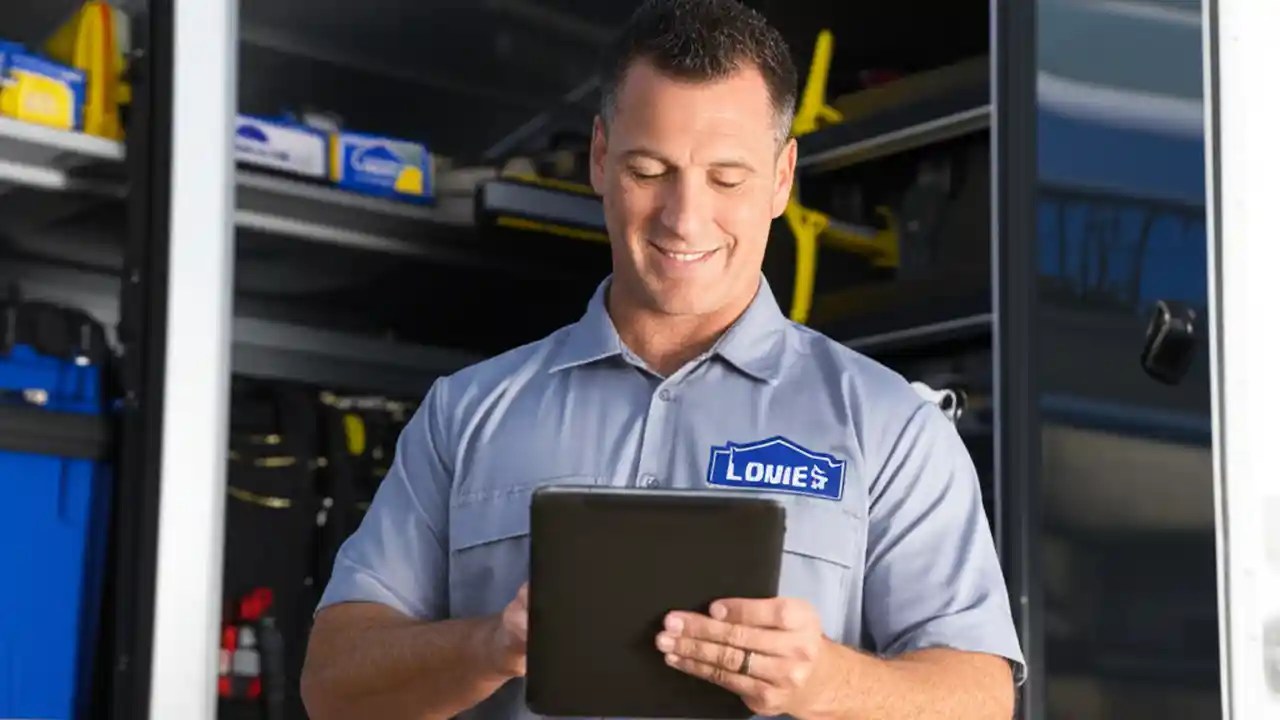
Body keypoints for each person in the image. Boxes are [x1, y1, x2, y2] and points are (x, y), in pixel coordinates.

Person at [300, 0, 1025, 717]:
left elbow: (980, 699)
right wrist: (488, 646)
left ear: (780, 179)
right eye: (650, 170)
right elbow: (334, 684)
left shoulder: (890, 429)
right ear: (599, 159)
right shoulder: (464, 416)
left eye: (727, 178)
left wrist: (824, 682)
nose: (685, 217)